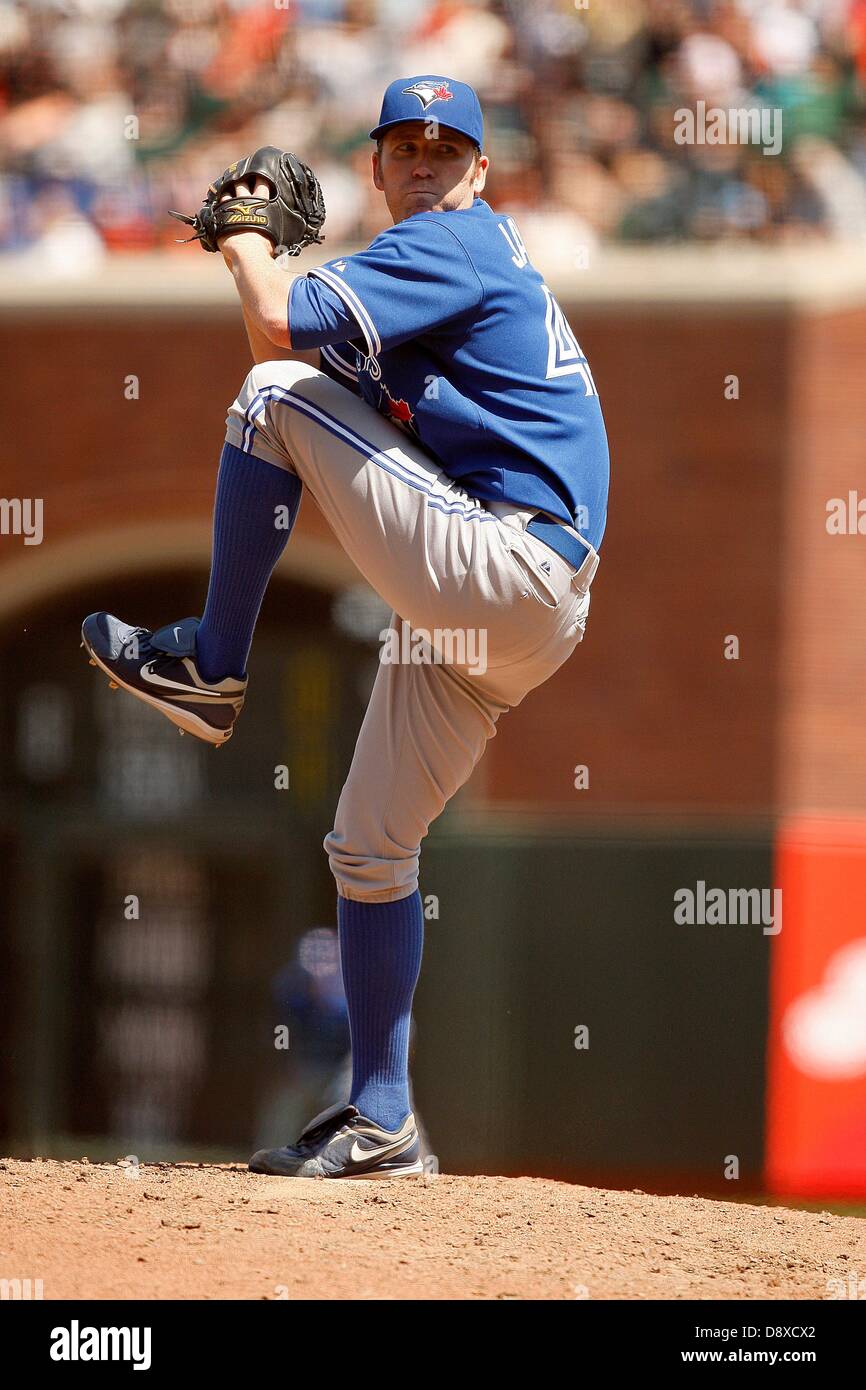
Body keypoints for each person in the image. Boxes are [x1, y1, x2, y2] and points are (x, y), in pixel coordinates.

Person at [81, 75, 610, 1179]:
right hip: (508, 609)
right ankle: (382, 1118)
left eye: (444, 148)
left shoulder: (456, 246)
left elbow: (275, 331)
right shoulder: (417, 274)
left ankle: (210, 667)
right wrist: (255, 266)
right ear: (375, 168)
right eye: (404, 149)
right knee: (369, 849)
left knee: (269, 391)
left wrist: (238, 241)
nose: (423, 164)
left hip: (503, 561)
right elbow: (307, 337)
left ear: (478, 171)